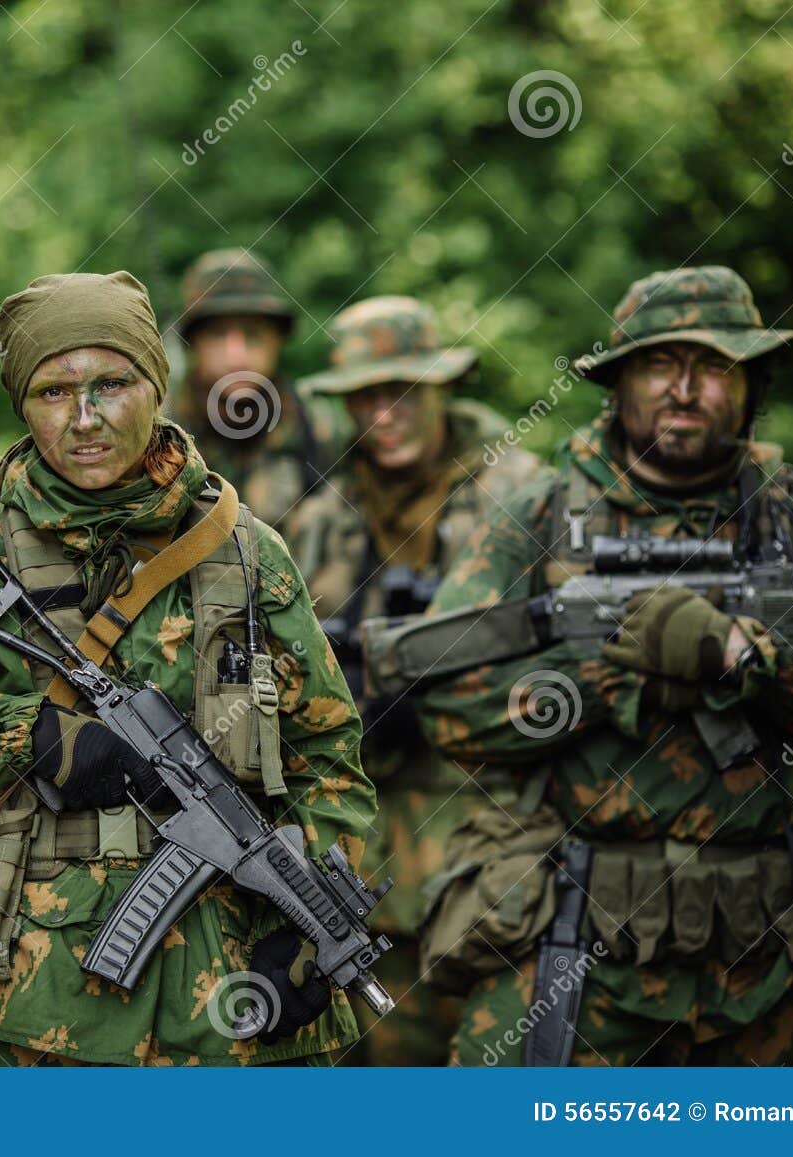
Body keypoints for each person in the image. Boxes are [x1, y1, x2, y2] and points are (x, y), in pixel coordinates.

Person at [0, 270, 376, 1066]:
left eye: (112, 383)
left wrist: (308, 932)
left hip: (234, 1011)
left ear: (157, 386)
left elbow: (331, 759)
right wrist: (30, 735)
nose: (86, 418)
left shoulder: (248, 555)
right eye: (53, 391)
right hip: (27, 1011)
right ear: (22, 404)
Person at [413, 266, 793, 1065]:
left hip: (775, 951)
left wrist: (751, 658)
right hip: (573, 937)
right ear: (619, 383)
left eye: (714, 366)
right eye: (660, 364)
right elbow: (446, 706)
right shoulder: (539, 517)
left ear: (750, 385)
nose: (685, 388)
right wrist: (617, 675)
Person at [285, 295, 548, 1064]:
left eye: (401, 391)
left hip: (504, 844)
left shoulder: (523, 493)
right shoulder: (321, 514)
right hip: (373, 862)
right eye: (364, 396)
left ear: (440, 387)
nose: (384, 414)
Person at [166, 248, 339, 530]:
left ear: (278, 341)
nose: (237, 356)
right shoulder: (157, 431)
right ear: (192, 344)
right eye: (217, 335)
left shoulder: (319, 428)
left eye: (253, 334)